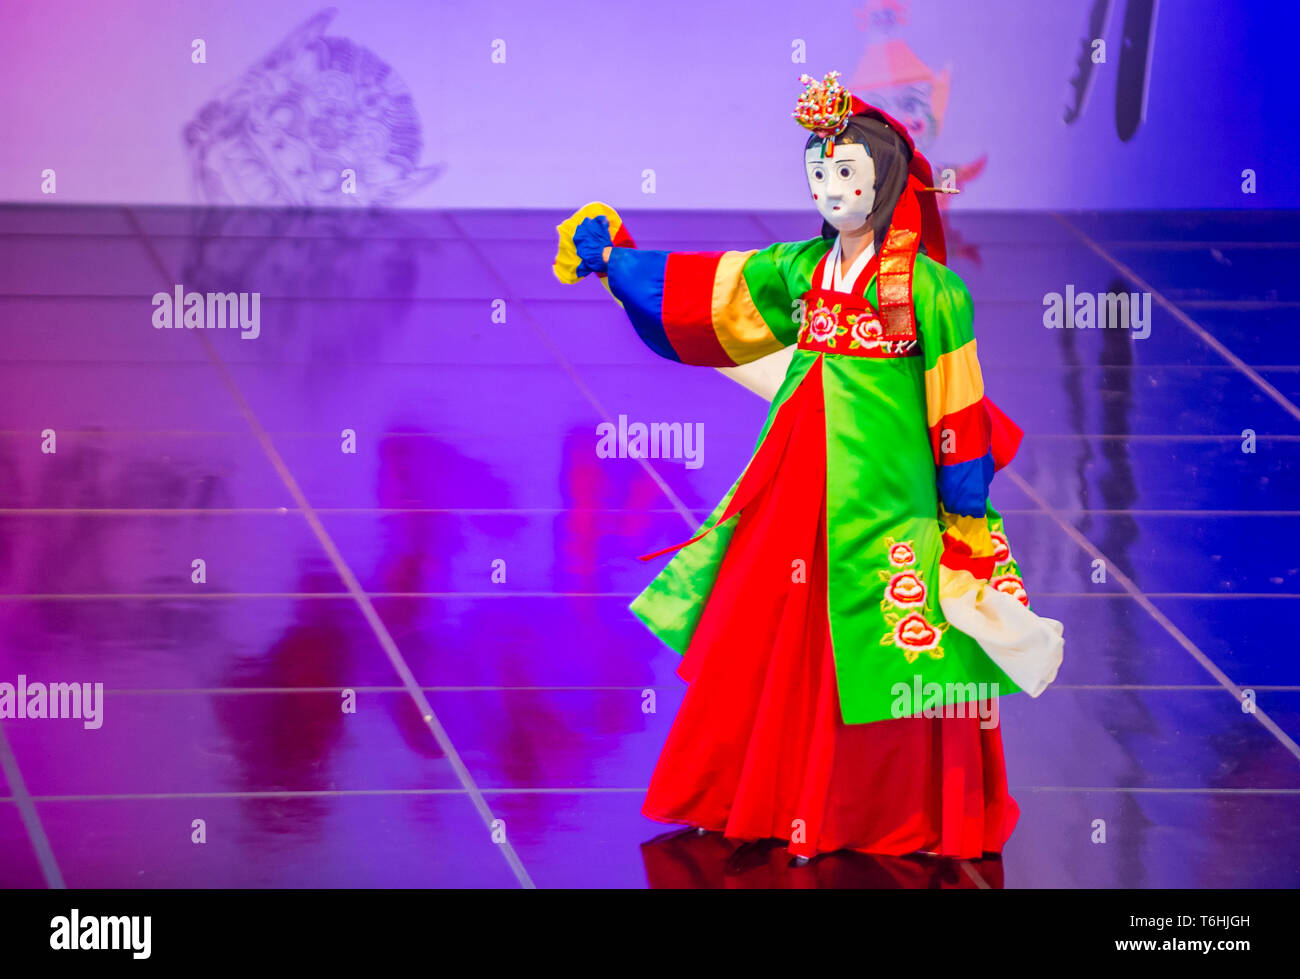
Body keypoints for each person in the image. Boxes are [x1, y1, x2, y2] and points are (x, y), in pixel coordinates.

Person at [553, 71, 1062, 862]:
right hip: (799, 474)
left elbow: (957, 411)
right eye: (819, 173)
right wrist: (619, 265)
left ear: (885, 181)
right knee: (780, 626)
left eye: (847, 173)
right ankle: (764, 792)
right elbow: (714, 293)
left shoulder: (934, 293)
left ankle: (877, 807)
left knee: (892, 632)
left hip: (889, 489)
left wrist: (962, 515)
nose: (831, 188)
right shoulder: (802, 269)